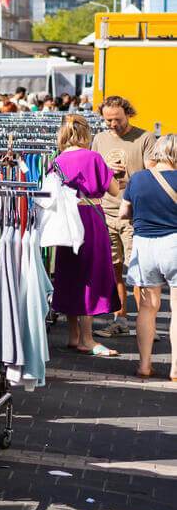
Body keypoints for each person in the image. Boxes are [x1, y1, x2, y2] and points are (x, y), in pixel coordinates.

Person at [51, 114, 119, 356]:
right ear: (85, 132)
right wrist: (110, 172)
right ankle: (87, 339)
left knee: (71, 274)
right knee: (90, 275)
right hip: (89, 218)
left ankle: (74, 335)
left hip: (65, 221)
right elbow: (114, 190)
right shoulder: (93, 157)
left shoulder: (57, 160)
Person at [94, 96, 155, 338]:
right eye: (108, 120)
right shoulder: (99, 139)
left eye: (117, 119)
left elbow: (153, 174)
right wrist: (106, 172)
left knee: (139, 270)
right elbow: (94, 172)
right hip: (106, 211)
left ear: (128, 113)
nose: (112, 124)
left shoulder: (145, 138)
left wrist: (130, 178)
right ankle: (120, 319)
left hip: (133, 214)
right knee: (114, 268)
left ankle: (146, 324)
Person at [120, 134, 177, 380]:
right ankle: (175, 368)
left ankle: (144, 365)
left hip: (144, 245)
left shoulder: (138, 178)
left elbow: (123, 212)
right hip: (174, 243)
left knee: (147, 306)